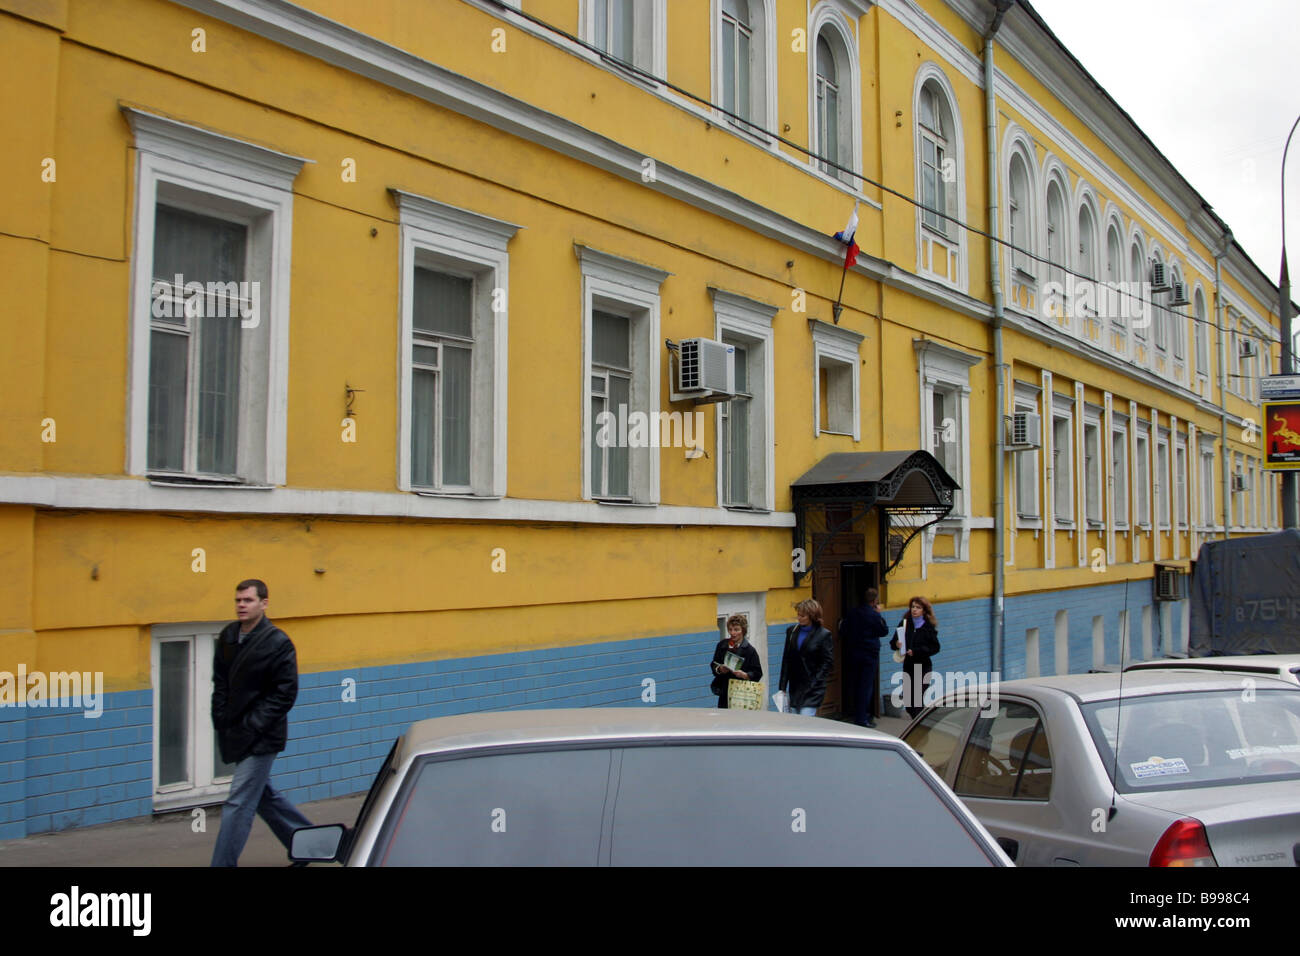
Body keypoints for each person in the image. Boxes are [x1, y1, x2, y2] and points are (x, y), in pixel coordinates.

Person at [210, 579, 313, 867]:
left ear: (264, 604)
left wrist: (253, 726)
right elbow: (220, 682)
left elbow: (285, 693)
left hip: (262, 736)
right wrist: (220, 717)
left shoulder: (277, 642)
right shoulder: (228, 636)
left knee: (238, 802)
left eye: (248, 600)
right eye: (238, 600)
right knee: (264, 796)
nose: (241, 605)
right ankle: (312, 846)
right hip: (235, 732)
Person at [840, 587, 889, 727]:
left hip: (854, 653)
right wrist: (880, 615)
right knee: (866, 686)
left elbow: (843, 629)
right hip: (869, 655)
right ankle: (861, 718)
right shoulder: (874, 615)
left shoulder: (853, 612)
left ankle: (854, 712)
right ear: (875, 601)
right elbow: (884, 631)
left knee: (855, 684)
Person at [778, 599, 833, 716]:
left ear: (812, 616)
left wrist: (815, 681)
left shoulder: (823, 634)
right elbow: (786, 659)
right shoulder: (791, 631)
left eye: (803, 615)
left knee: (805, 718)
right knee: (795, 724)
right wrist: (782, 686)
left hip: (813, 688)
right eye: (798, 614)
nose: (799, 618)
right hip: (795, 686)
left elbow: (827, 662)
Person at [890, 595, 940, 718]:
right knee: (908, 702)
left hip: (923, 667)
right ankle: (919, 722)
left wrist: (917, 652)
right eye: (913, 607)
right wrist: (896, 644)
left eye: (918, 607)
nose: (914, 610)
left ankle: (919, 729)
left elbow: (935, 647)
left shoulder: (928, 626)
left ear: (924, 610)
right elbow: (892, 643)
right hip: (908, 667)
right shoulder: (905, 623)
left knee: (917, 701)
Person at [709, 614, 763, 708]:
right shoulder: (722, 645)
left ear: (743, 630)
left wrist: (745, 675)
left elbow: (758, 673)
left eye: (736, 629)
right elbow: (713, 664)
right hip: (724, 693)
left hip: (742, 694)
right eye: (730, 629)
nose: (733, 633)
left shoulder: (750, 651)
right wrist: (720, 669)